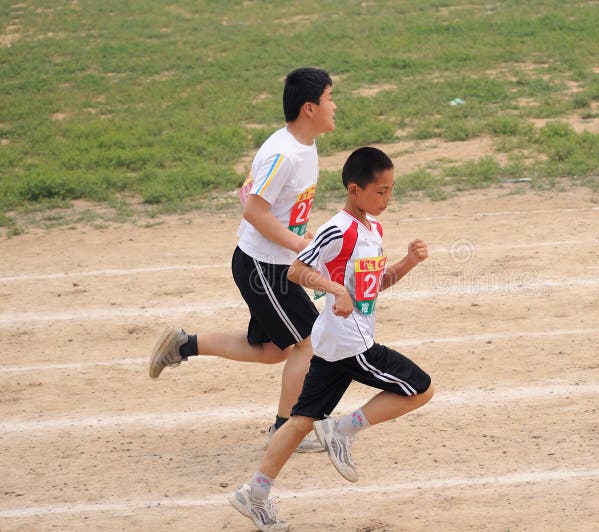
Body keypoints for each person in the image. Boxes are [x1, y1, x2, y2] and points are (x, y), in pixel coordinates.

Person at [227, 147, 435, 531]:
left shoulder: (372, 229)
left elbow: (372, 287)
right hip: (350, 343)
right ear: (355, 190)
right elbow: (297, 270)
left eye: (391, 190)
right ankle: (341, 430)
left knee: (299, 422)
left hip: (334, 343)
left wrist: (408, 262)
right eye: (381, 191)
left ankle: (253, 494)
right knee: (421, 388)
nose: (387, 199)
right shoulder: (338, 229)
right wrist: (335, 289)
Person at [148, 67, 336, 452]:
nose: (335, 106)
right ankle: (284, 432)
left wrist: (301, 236)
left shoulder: (303, 146)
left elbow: (266, 201)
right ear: (309, 108)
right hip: (264, 267)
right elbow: (252, 209)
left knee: (272, 350)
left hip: (269, 261)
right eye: (330, 99)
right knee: (309, 343)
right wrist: (299, 246)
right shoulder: (284, 153)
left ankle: (182, 345)